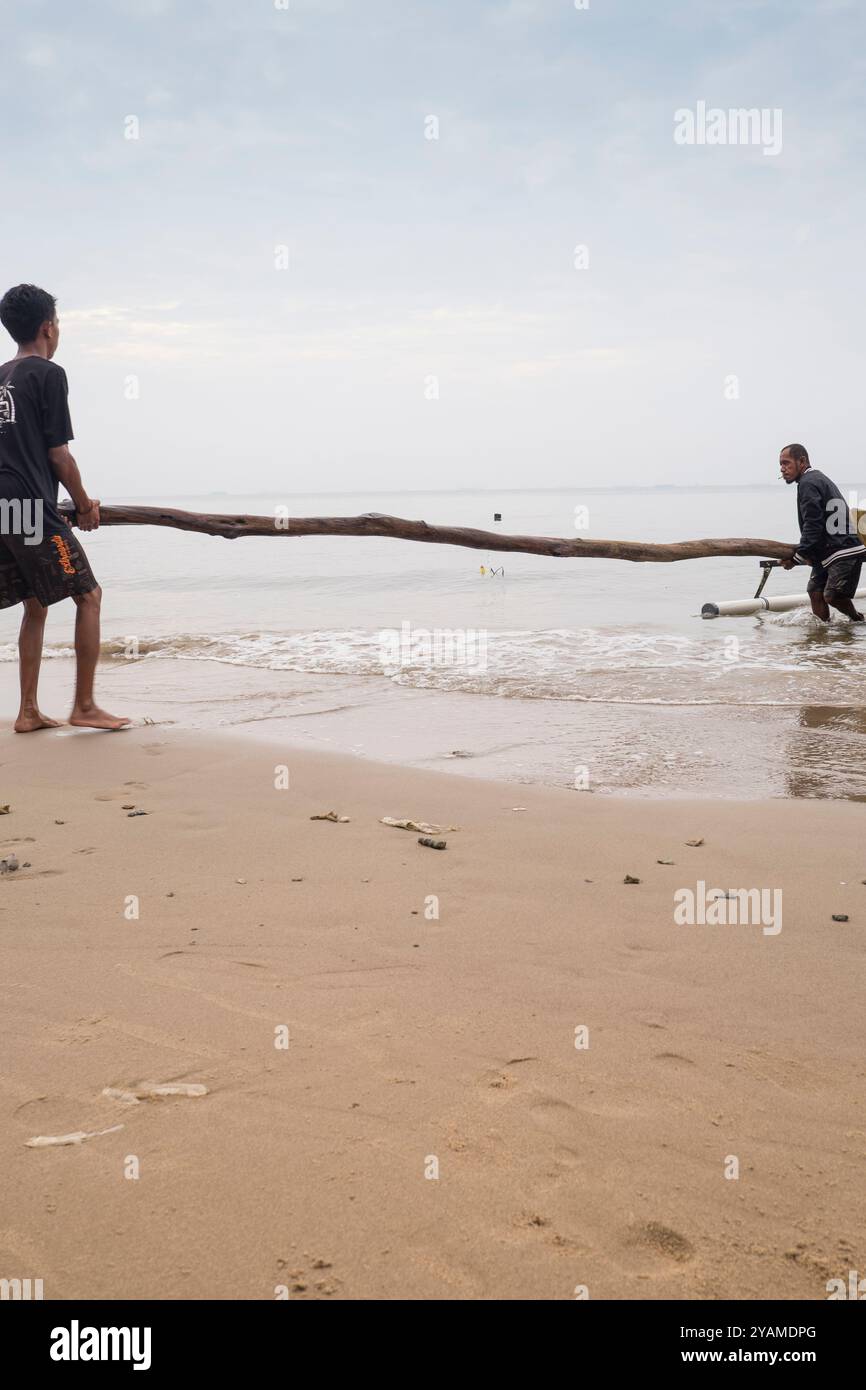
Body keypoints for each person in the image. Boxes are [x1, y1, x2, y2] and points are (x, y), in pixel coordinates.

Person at [0, 283, 129, 730]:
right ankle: (85, 706)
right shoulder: (49, 375)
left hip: (3, 511)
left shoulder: (0, 376)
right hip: (30, 509)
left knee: (35, 604)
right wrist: (84, 505)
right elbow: (59, 455)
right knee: (88, 595)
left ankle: (29, 711)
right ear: (47, 328)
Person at [778, 443, 865, 622]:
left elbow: (813, 524)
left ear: (802, 461)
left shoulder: (808, 483)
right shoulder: (816, 479)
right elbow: (817, 524)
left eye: (786, 463)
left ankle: (859, 621)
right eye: (781, 464)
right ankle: (822, 640)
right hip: (829, 550)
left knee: (832, 596)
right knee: (815, 592)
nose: (782, 468)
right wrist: (805, 554)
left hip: (843, 549)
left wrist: (797, 558)